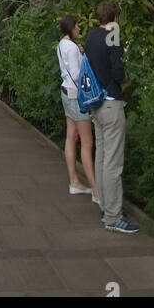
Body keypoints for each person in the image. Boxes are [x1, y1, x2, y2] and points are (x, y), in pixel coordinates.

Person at [84, 0, 138, 234]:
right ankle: (114, 217)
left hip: (95, 103)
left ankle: (105, 206)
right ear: (115, 17)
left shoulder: (91, 36)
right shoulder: (112, 37)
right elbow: (118, 72)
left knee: (102, 157)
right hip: (111, 104)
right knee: (113, 163)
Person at [56, 14, 100, 201]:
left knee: (71, 136)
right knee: (87, 143)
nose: (79, 29)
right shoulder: (72, 48)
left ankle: (74, 181)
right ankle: (97, 191)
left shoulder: (62, 45)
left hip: (66, 93)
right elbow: (76, 74)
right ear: (71, 28)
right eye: (77, 26)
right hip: (76, 97)